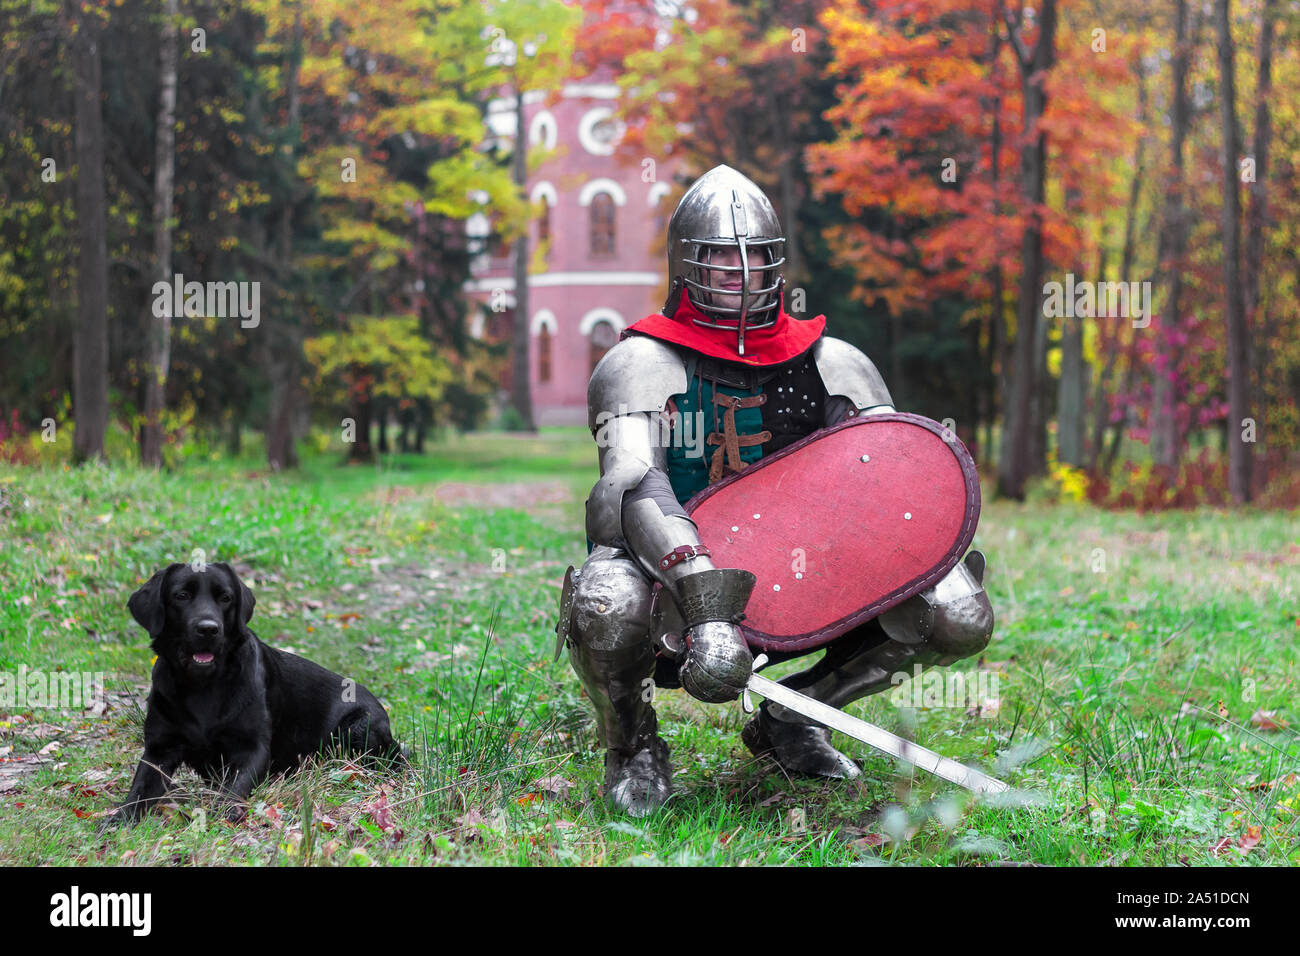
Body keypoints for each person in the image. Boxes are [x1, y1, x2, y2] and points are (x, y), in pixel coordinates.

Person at [556, 165, 994, 816]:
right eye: (722, 264)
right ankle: (632, 746)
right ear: (687, 267)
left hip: (807, 573)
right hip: (670, 574)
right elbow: (630, 494)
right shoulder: (640, 364)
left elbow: (887, 479)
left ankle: (798, 719)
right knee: (605, 598)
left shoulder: (834, 361)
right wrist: (702, 597)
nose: (742, 277)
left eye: (756, 262)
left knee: (957, 610)